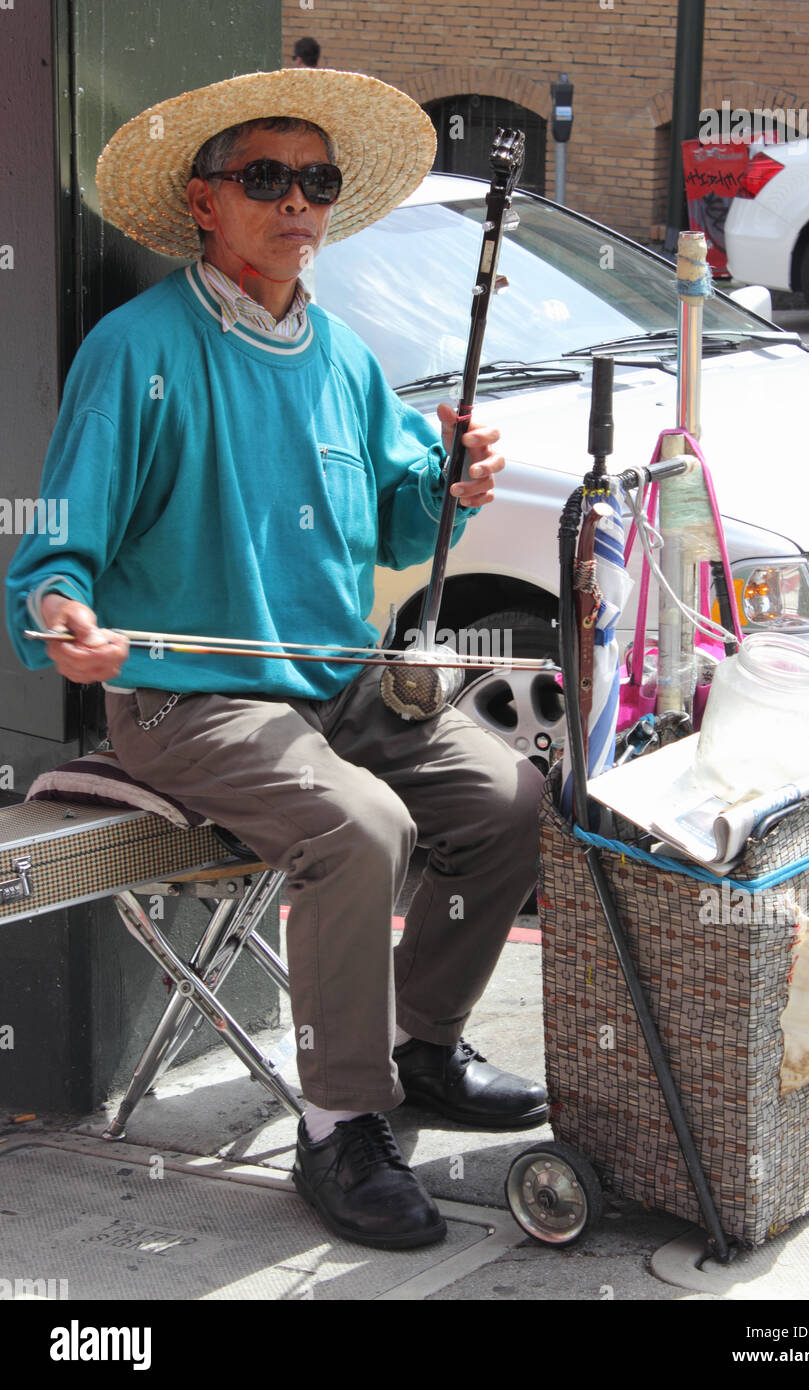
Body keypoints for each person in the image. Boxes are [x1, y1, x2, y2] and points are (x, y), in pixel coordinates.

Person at [5, 69, 546, 1251]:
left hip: (336, 679)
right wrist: (63, 619)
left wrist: (449, 484)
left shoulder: (344, 358)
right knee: (359, 827)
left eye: (315, 180)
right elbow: (51, 551)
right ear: (204, 203)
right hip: (190, 700)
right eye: (265, 178)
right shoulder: (134, 348)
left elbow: (404, 525)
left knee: (510, 796)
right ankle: (338, 1121)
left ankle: (423, 1044)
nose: (295, 201)